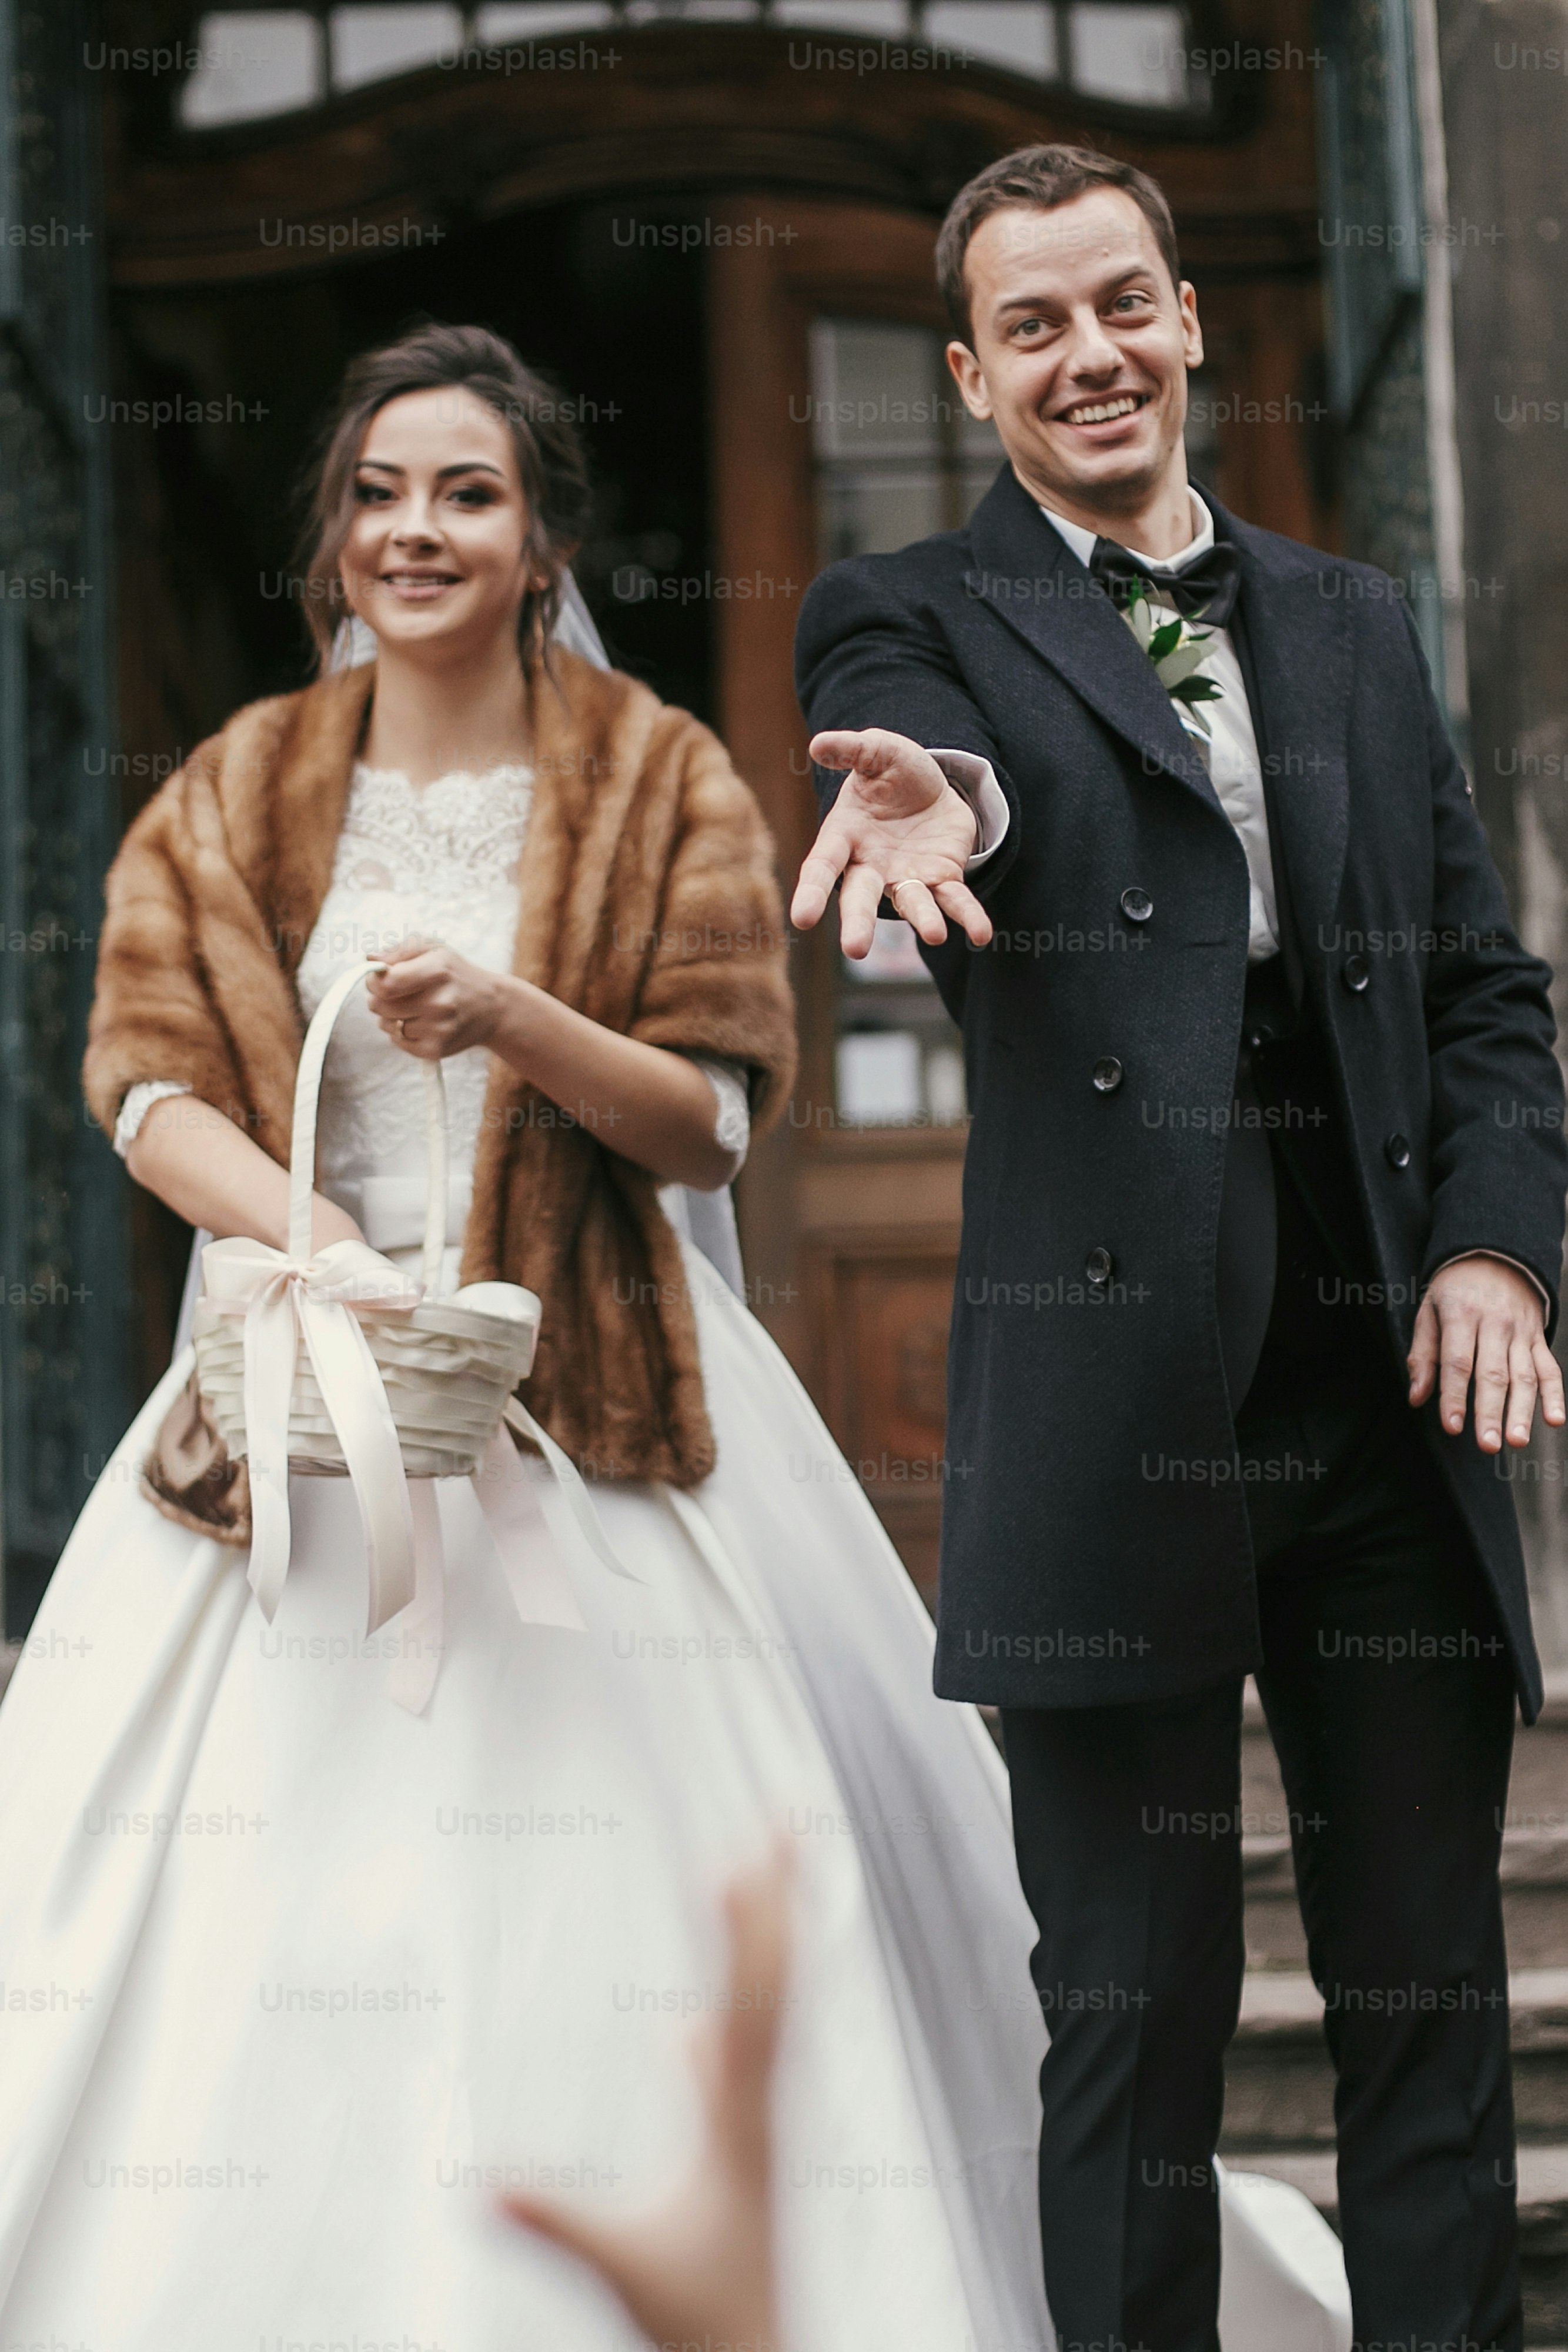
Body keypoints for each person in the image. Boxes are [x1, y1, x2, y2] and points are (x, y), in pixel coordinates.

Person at [0, 322, 1058, 2352]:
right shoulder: (237, 784)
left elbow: (718, 1115)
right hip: (306, 1415)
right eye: (381, 492)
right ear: (333, 543)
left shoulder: (656, 776)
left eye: (468, 491)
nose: (419, 528)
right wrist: (320, 1246)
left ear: (540, 533)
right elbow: (142, 1081)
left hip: (592, 1406)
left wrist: (507, 1020)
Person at [791, 143, 1568, 2352]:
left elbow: (1483, 994)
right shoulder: (907, 611)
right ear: (971, 373)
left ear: (1189, 320)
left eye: (1119, 303)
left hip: (1388, 1397)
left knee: (1429, 2010)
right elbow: (928, 758)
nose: (1088, 354)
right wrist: (951, 798)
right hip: (1111, 1402)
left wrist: (1498, 1254)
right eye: (1030, 326)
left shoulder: (1347, 620)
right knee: (1130, 2027)